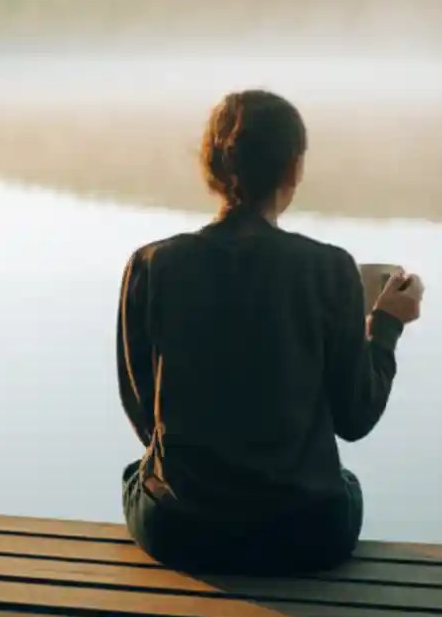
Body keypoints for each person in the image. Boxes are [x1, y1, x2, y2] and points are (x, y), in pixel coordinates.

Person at [116, 89, 424, 575]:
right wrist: (384, 326)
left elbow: (143, 415)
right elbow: (356, 417)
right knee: (344, 484)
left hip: (180, 530)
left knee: (139, 475)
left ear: (212, 167)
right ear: (294, 168)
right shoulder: (330, 270)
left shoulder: (151, 266)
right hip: (307, 533)